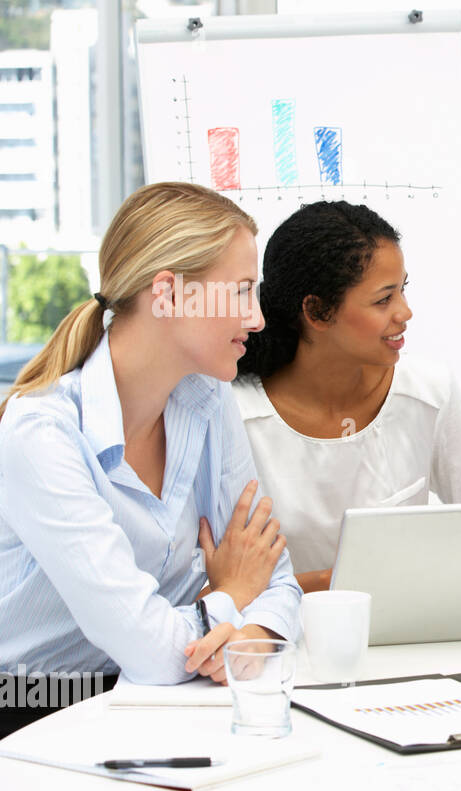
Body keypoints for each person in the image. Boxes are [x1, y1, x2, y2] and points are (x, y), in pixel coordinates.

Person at [0, 182, 301, 699]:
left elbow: (277, 582)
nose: (257, 317)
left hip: (157, 699)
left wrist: (250, 634)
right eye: (240, 291)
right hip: (34, 710)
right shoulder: (41, 435)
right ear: (165, 294)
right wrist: (229, 595)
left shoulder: (208, 400)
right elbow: (153, 652)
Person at [235, 201, 461, 593]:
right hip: (279, 643)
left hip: (406, 636)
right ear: (317, 311)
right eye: (383, 299)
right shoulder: (236, 414)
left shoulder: (429, 392)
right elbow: (216, 587)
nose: (405, 312)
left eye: (403, 290)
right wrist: (334, 583)